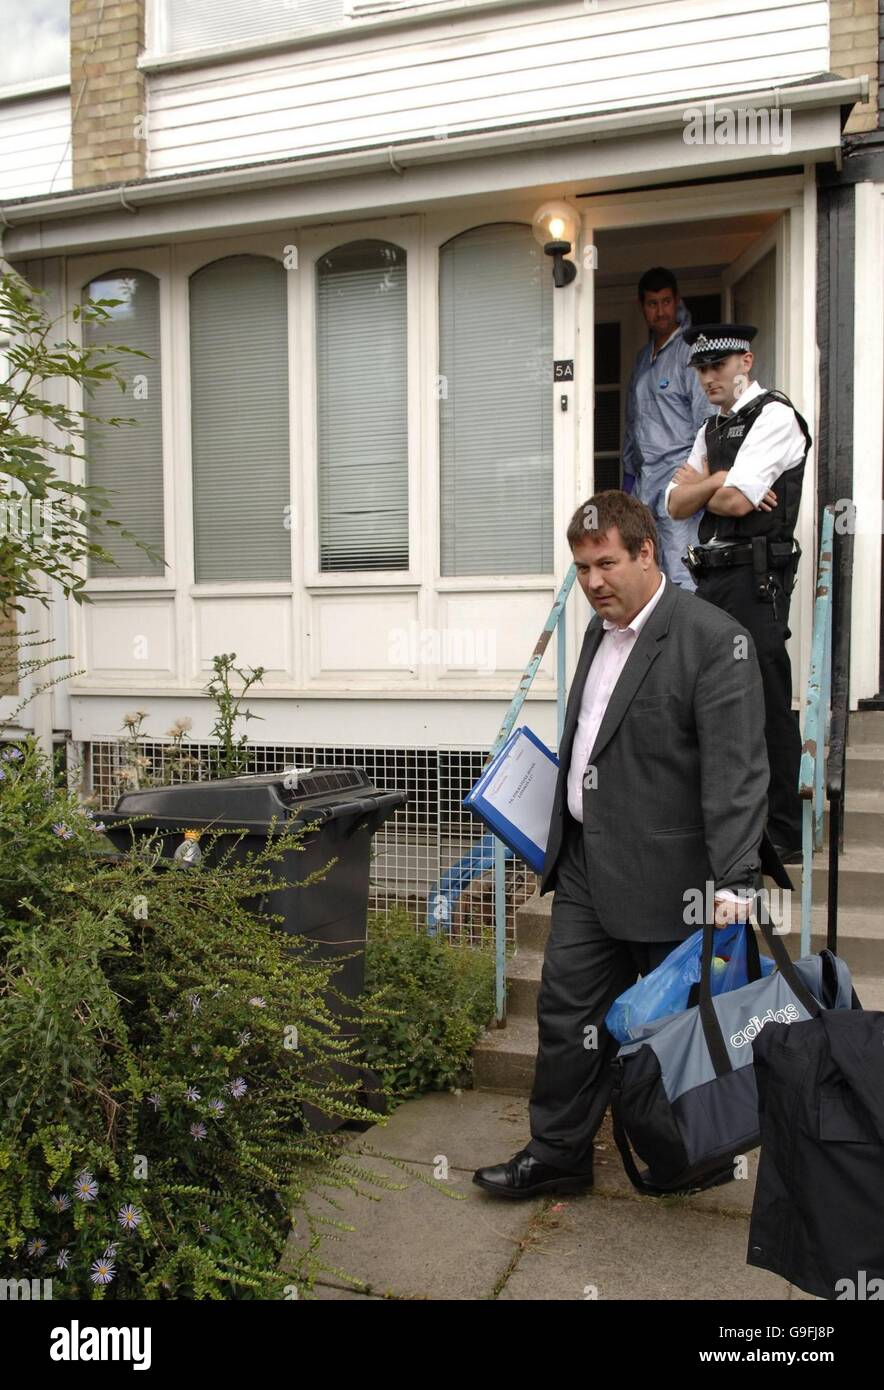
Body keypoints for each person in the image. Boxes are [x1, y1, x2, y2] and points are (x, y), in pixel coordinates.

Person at [473, 491, 769, 1198]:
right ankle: (559, 1155)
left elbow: (737, 770)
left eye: (606, 563)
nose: (593, 582)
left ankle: (687, 1154)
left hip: (673, 878)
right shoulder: (597, 633)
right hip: (582, 863)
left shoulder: (711, 638)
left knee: (670, 1033)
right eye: (581, 568)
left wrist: (733, 880)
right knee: (564, 1014)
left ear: (647, 551)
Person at [664, 324, 811, 862]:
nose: (708, 378)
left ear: (745, 362)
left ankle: (784, 831)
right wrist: (719, 480)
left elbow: (736, 503)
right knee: (712, 698)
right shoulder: (712, 429)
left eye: (717, 366)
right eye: (701, 369)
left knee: (767, 698)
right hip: (712, 577)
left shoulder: (775, 415)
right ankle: (728, 820)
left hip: (757, 578)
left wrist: (709, 488)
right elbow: (674, 503)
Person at [621, 267, 712, 591]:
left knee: (682, 571)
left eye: (666, 301)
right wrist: (629, 480)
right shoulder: (644, 358)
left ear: (677, 302)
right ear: (641, 306)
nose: (660, 311)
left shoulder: (690, 353)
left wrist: (702, 476)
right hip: (645, 484)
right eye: (651, 303)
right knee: (646, 571)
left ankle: (688, 642)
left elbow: (707, 419)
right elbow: (634, 424)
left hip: (679, 481)